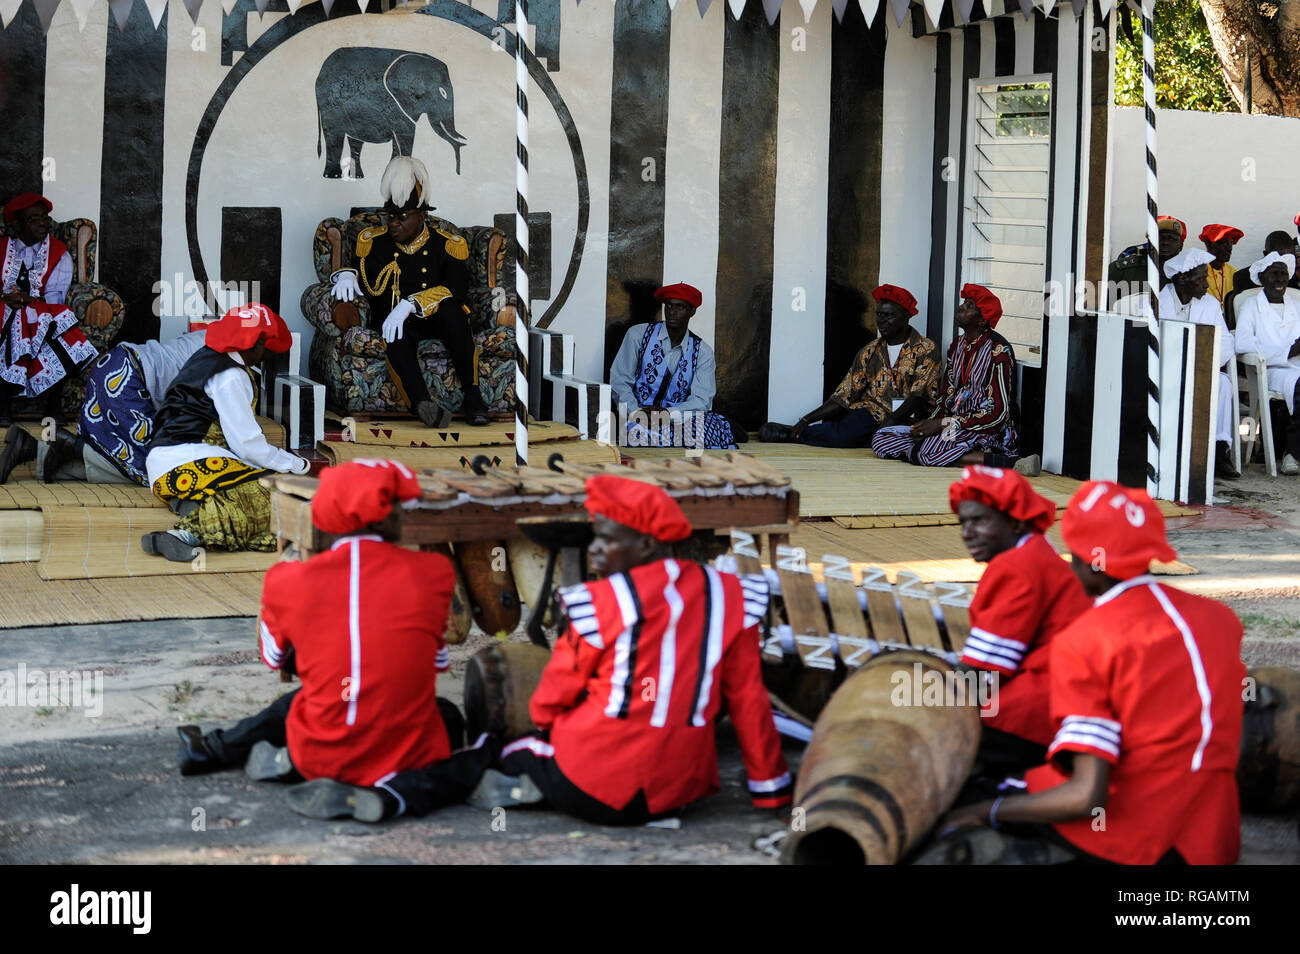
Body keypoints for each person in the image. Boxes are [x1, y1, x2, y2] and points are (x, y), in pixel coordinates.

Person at [286, 473, 793, 825]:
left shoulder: (599, 603)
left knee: (493, 749)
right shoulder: (730, 596)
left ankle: (394, 797)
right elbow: (749, 703)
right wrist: (770, 790)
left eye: (606, 539)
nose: (594, 550)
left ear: (647, 545)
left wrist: (553, 722)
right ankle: (531, 787)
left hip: (595, 788)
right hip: (678, 795)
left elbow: (550, 698)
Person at [935, 481, 1244, 865]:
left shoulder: (1085, 639)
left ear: (1084, 561)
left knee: (967, 799)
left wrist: (988, 812)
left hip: (1140, 841)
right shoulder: (1220, 619)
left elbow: (1086, 796)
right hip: (1214, 838)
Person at [176, 460, 475, 809]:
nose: (403, 513)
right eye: (396, 504)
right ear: (382, 517)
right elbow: (433, 661)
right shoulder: (435, 572)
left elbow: (273, 658)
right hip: (408, 754)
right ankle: (395, 792)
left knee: (309, 699)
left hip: (319, 754)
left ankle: (223, 751)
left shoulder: (285, 580)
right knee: (448, 717)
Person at [329, 156, 490, 428]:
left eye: (402, 217)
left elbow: (456, 290)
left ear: (422, 216)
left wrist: (411, 303)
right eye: (390, 216)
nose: (393, 224)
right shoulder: (374, 243)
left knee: (454, 313)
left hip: (437, 318)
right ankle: (422, 405)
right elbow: (365, 277)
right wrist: (345, 274)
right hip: (398, 321)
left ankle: (474, 398)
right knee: (396, 334)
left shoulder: (447, 244)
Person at [141, 303, 310, 561]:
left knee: (254, 489)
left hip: (166, 469)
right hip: (188, 460)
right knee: (270, 497)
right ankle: (186, 535)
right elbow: (247, 446)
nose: (266, 355)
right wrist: (294, 464)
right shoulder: (230, 376)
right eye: (266, 347)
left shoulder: (207, 356)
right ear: (253, 344)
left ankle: (195, 505)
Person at [949, 465, 1091, 771]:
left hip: (1032, 717)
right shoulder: (1038, 552)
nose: (966, 533)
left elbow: (983, 676)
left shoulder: (1016, 566)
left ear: (1014, 522)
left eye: (980, 520)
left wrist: (911, 693)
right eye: (963, 522)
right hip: (1067, 703)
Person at [0, 331, 207, 486]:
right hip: (129, 380)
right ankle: (74, 447)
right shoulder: (227, 361)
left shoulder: (215, 334)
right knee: (160, 470)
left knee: (113, 453)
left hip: (112, 365)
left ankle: (35, 448)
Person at [758, 284, 941, 447]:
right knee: (844, 435)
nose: (882, 320)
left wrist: (892, 419)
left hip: (910, 417)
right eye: (879, 314)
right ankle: (794, 433)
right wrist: (806, 419)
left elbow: (919, 395)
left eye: (889, 315)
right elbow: (844, 395)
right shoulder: (869, 351)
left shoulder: (926, 349)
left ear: (906, 317)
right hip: (874, 412)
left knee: (909, 439)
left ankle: (872, 439)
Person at [871, 283, 1029, 472]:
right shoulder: (957, 345)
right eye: (964, 303)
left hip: (985, 430)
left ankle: (1010, 463)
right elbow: (946, 396)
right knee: (882, 437)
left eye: (969, 306)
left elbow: (999, 413)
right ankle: (938, 453)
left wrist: (946, 424)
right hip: (951, 428)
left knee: (928, 448)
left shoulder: (998, 351)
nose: (961, 307)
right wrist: (929, 423)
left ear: (982, 321)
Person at [0, 193, 97, 426]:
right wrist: (5, 298)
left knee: (55, 324)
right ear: (17, 223)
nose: (43, 223)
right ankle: (3, 405)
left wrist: (28, 301)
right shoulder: (2, 248)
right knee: (10, 323)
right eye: (34, 219)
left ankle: (53, 407)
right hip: (3, 308)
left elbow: (56, 296)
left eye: (44, 218)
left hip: (40, 310)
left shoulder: (58, 253)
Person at [608, 282, 743, 449]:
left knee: (709, 425)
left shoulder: (703, 352)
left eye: (680, 307)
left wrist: (666, 415)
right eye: (669, 306)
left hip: (677, 421)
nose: (672, 312)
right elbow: (619, 381)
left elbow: (701, 400)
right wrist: (636, 412)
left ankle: (681, 436)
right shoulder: (637, 335)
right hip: (637, 419)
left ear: (692, 311)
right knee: (633, 433)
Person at [1159, 248, 1239, 480]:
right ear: (1183, 279)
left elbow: (1225, 341)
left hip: (1201, 368)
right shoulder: (1153, 303)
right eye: (1202, 278)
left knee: (1223, 384)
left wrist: (1202, 361)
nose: (1207, 284)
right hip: (1165, 370)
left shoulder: (1210, 304)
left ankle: (1219, 451)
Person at [1234, 251, 1300, 474]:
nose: (1280, 279)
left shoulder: (1297, 305)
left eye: (1284, 274)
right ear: (1261, 278)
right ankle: (1293, 453)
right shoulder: (1251, 306)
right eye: (1274, 274)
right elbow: (1241, 343)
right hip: (1270, 368)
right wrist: (1288, 350)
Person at [1107, 214, 1186, 296]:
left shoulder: (1187, 276)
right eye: (1159, 237)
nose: (1165, 242)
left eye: (1172, 239)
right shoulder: (1124, 271)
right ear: (1149, 243)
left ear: (1180, 246)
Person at [1199, 223, 1243, 307]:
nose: (1229, 248)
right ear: (1209, 244)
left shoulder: (1233, 272)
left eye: (1231, 242)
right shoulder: (1197, 271)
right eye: (1224, 243)